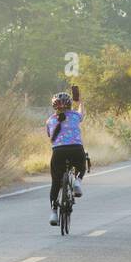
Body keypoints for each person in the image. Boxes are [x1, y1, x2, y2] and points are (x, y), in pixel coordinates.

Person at [47, 91, 86, 227]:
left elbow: (49, 135)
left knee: (55, 183)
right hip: (76, 149)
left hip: (58, 152)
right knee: (81, 166)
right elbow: (82, 114)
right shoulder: (75, 116)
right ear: (70, 105)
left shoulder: (50, 120)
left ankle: (53, 213)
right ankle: (77, 182)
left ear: (54, 107)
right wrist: (80, 102)